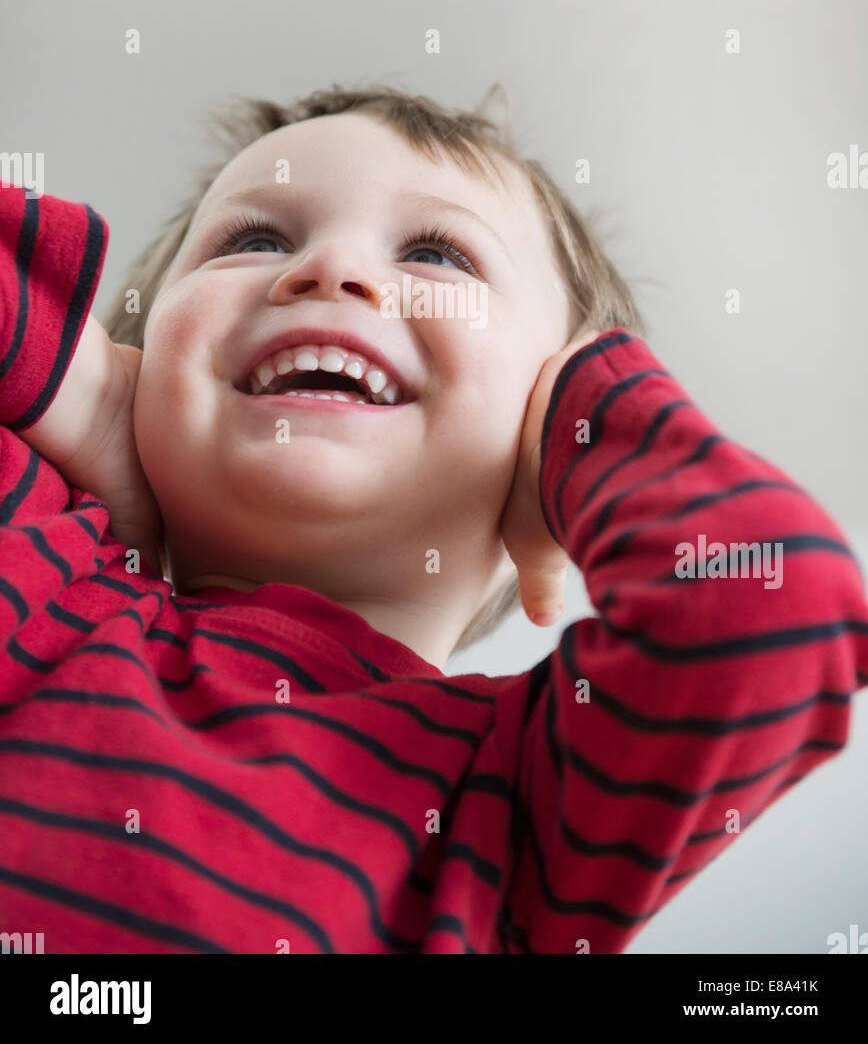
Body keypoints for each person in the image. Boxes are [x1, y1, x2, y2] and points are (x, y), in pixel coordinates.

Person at [2, 83, 865, 953]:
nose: (330, 269)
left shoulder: (515, 793)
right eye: (256, 239)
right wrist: (87, 401)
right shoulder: (48, 588)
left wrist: (578, 423)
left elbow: (780, 600)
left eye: (439, 257)